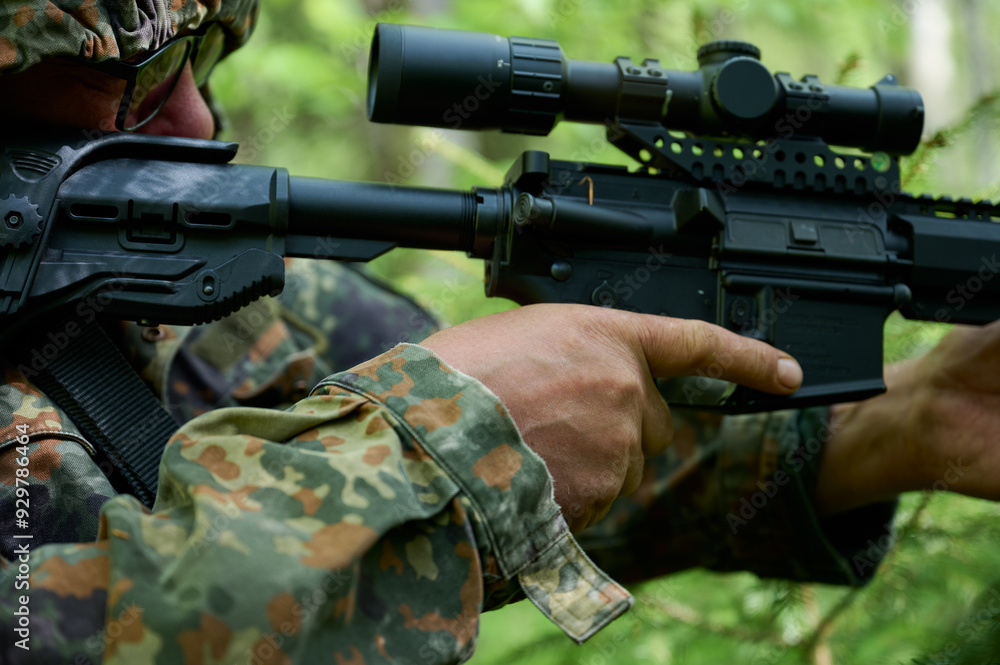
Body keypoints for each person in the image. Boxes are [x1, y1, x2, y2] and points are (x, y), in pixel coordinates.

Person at [1, 2, 999, 663]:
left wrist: (906, 424)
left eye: (206, 54)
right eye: (138, 69)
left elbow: (563, 455)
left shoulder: (224, 303)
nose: (194, 110)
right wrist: (422, 451)